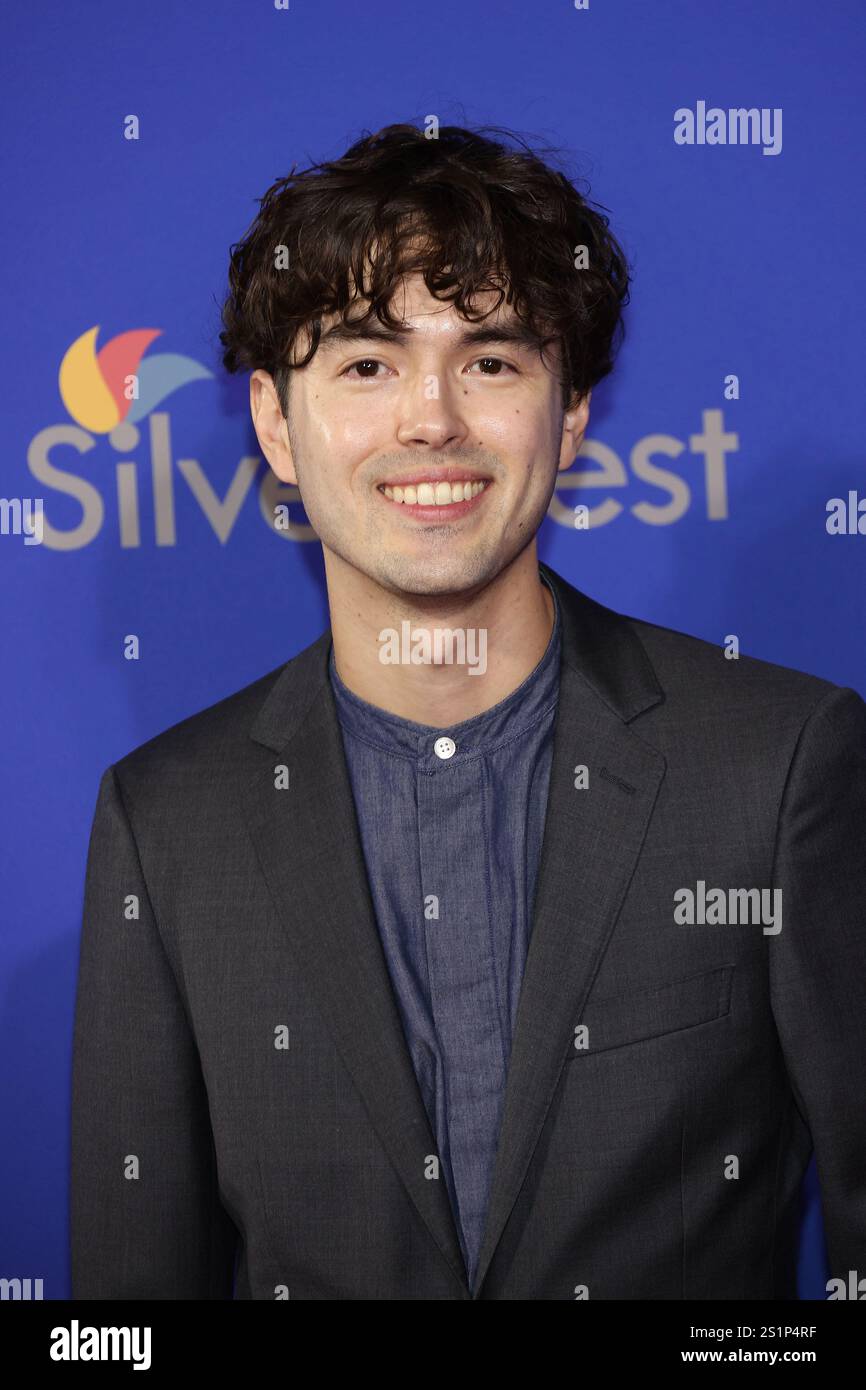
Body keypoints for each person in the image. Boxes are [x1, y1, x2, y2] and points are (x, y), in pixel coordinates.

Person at [70, 123, 866, 1300]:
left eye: (491, 360)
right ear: (275, 426)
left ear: (573, 416)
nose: (430, 419)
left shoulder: (779, 763)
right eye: (365, 363)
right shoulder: (167, 819)